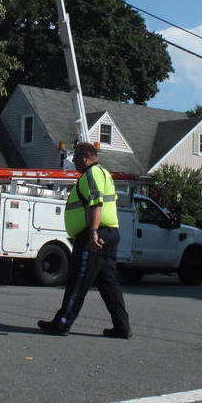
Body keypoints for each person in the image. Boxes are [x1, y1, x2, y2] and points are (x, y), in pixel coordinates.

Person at [38, 142, 131, 339]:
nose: (74, 162)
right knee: (108, 283)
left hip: (94, 235)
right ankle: (122, 326)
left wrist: (93, 232)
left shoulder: (92, 174)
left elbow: (96, 203)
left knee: (78, 281)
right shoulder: (104, 173)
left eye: (77, 157)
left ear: (87, 156)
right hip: (109, 233)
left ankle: (62, 323)